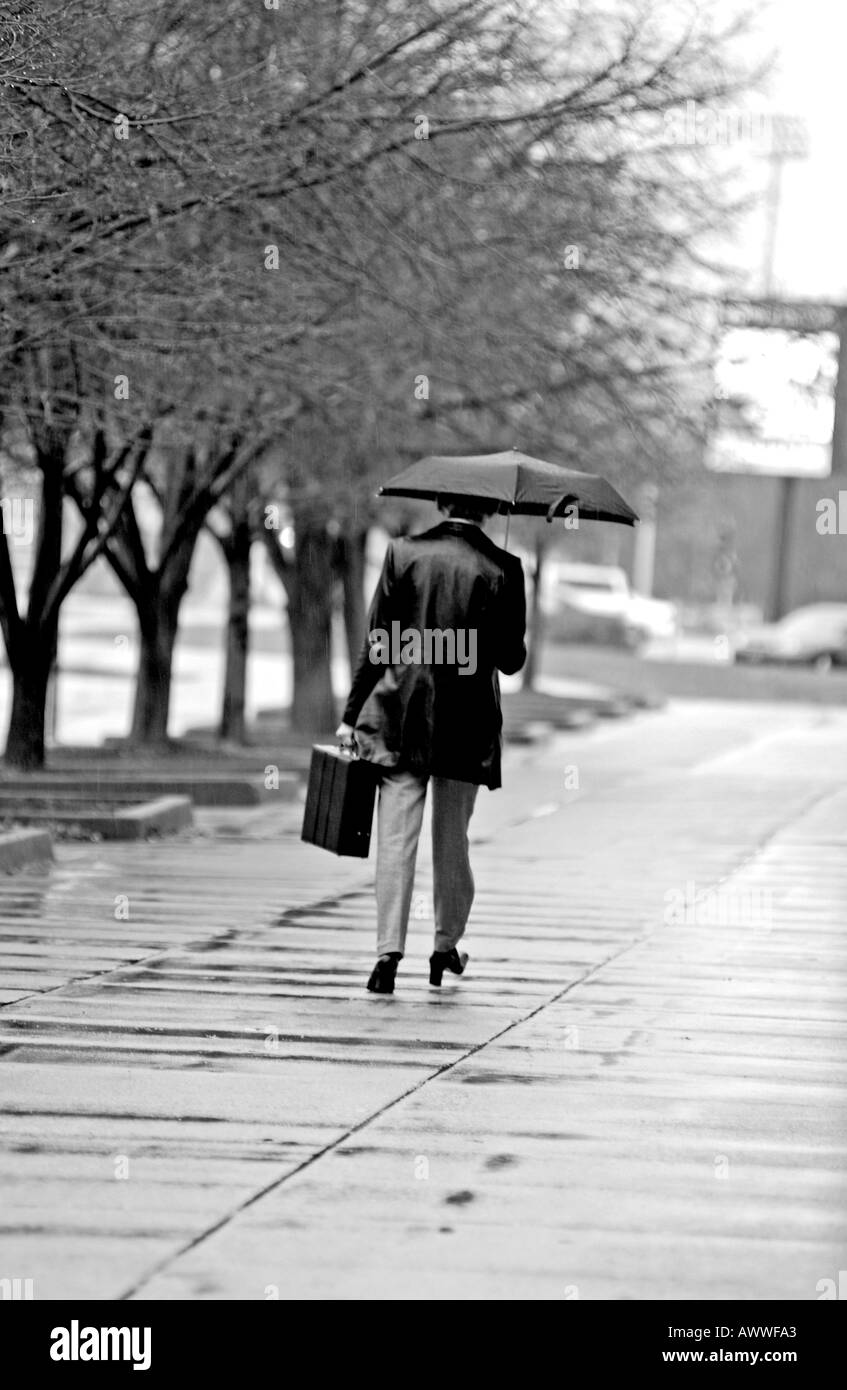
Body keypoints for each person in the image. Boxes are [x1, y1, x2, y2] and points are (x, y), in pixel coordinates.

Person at [336, 497, 527, 994]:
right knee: (451, 840)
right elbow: (510, 661)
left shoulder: (404, 553)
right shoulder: (503, 567)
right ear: (489, 510)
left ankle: (386, 956)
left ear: (443, 503)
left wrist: (351, 714)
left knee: (396, 839)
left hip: (401, 717)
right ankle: (444, 947)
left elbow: (378, 641)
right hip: (464, 727)